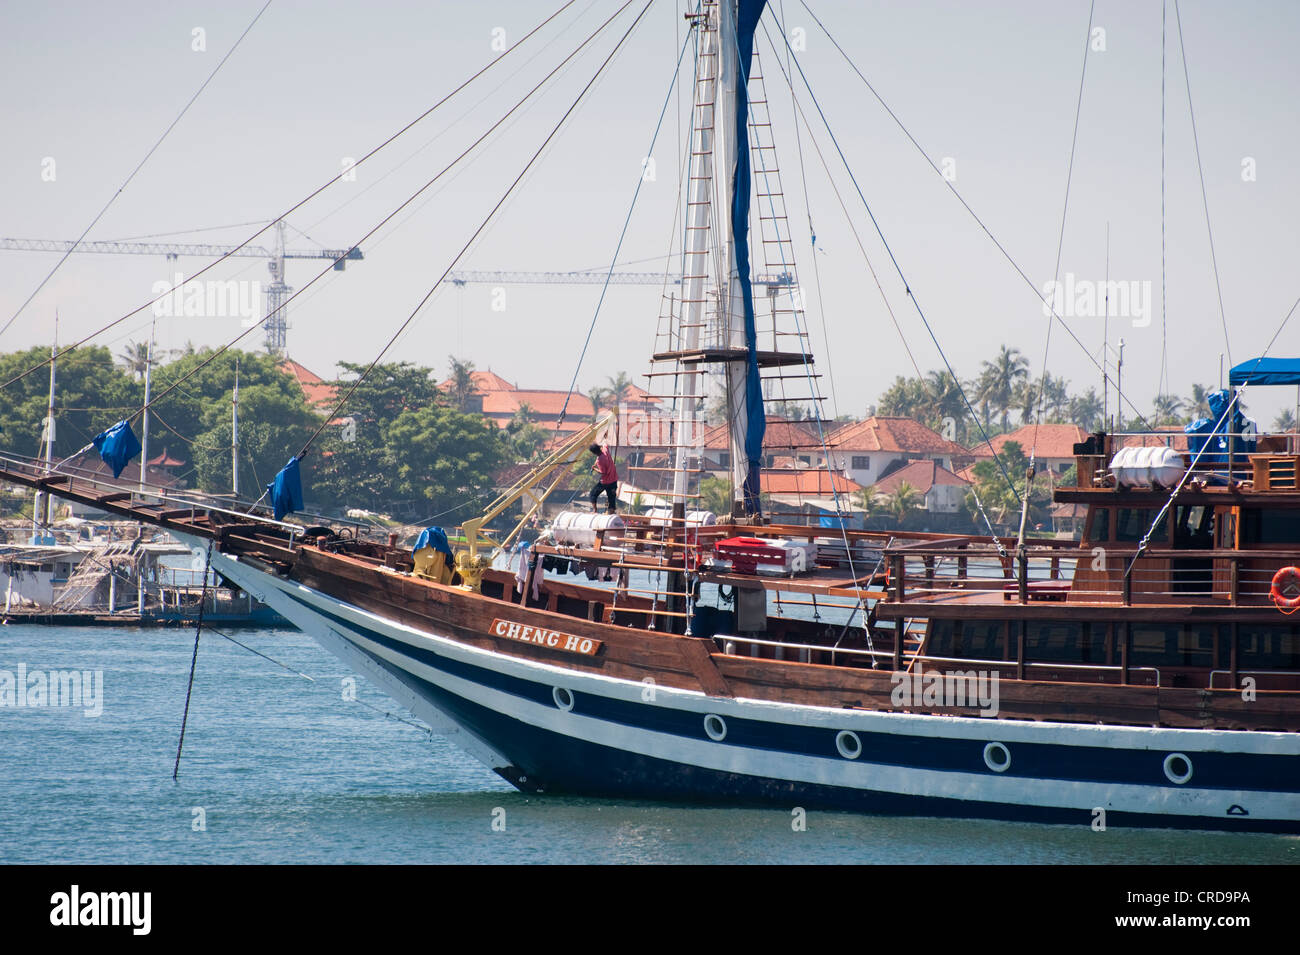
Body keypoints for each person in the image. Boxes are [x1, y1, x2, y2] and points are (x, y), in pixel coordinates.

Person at [588, 443, 618, 514]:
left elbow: (603, 472)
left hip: (605, 482)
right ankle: (612, 512)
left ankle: (595, 510)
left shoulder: (599, 461)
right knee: (611, 497)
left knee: (592, 494)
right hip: (614, 479)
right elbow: (605, 444)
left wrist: (594, 469)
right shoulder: (605, 450)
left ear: (594, 453)